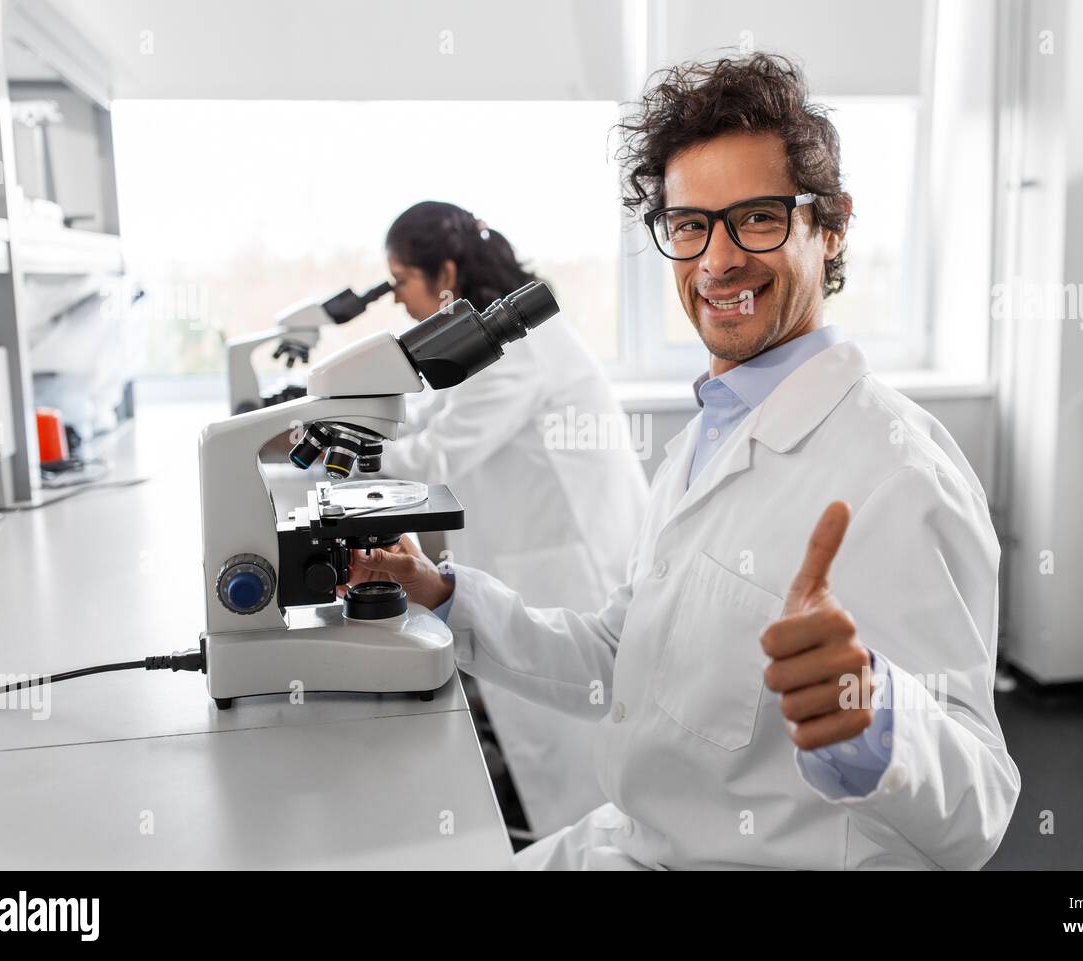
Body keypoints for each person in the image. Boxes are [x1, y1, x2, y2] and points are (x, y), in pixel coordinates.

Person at [349, 55, 1020, 870]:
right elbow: (614, 654)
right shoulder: (711, 434)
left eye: (759, 218)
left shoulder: (897, 473)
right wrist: (446, 596)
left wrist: (872, 712)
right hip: (632, 838)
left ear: (832, 224)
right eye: (691, 224)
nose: (718, 260)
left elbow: (979, 803)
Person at [371, 201, 649, 838]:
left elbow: (438, 454)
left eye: (400, 282)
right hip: (541, 557)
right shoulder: (486, 341)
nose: (397, 301)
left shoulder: (519, 346)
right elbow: (430, 422)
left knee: (574, 754)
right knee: (546, 739)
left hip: (571, 570)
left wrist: (330, 453)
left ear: (443, 270)